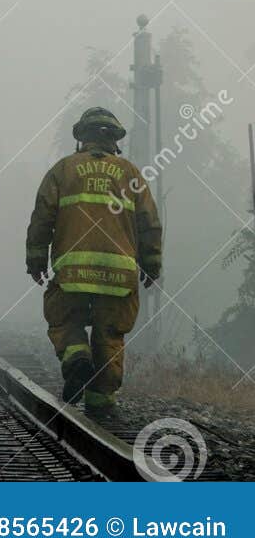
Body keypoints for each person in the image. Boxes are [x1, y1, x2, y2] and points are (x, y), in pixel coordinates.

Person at [26, 107, 162, 417]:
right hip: (119, 276)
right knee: (110, 334)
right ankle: (101, 405)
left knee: (66, 320)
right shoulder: (130, 173)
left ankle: (76, 357)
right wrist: (152, 266)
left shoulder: (63, 171)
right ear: (115, 141)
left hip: (72, 271)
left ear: (81, 140)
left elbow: (41, 218)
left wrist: (36, 260)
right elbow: (149, 224)